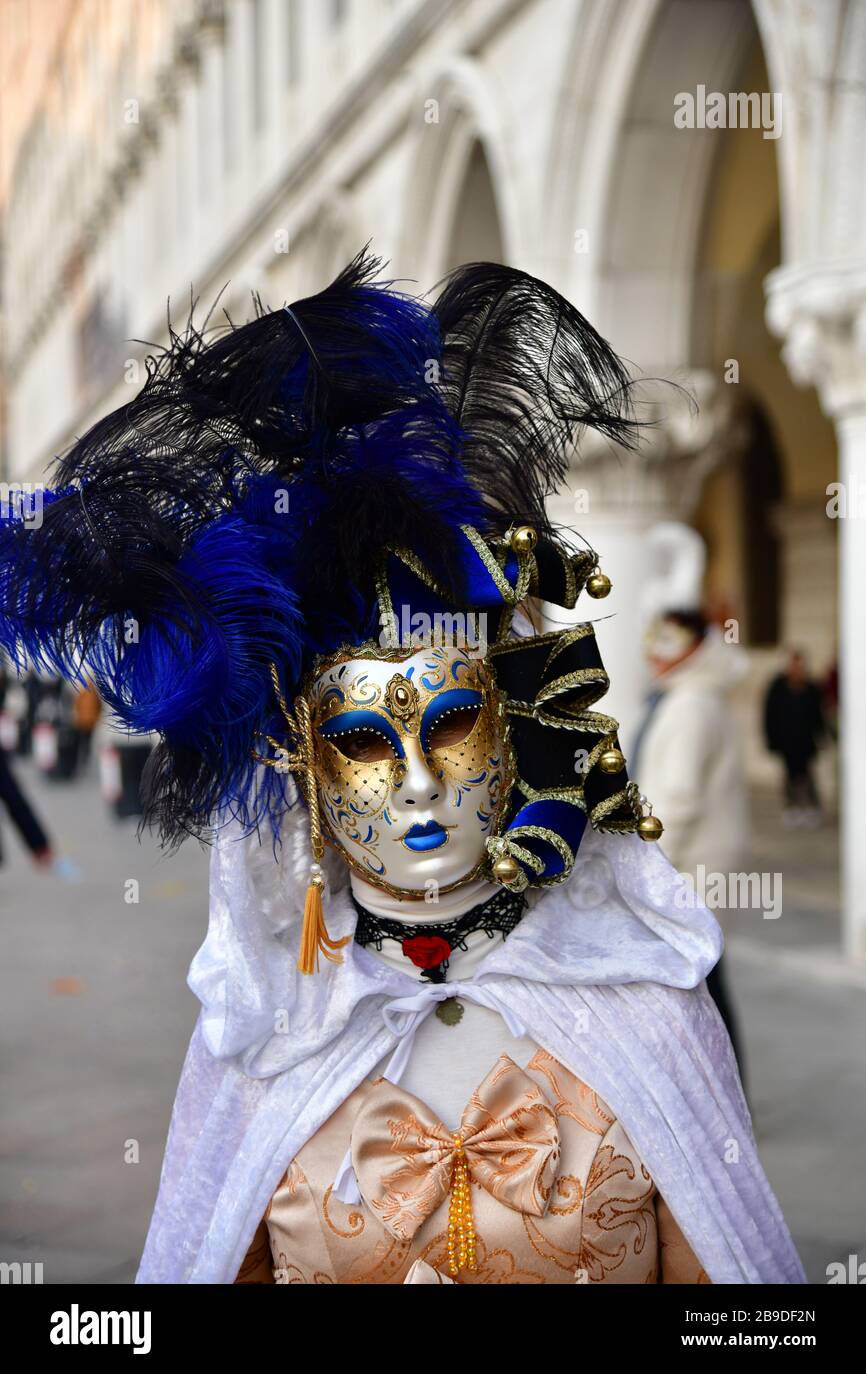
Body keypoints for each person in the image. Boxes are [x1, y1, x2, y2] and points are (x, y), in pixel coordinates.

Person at [0, 254, 804, 1284]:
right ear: (303, 766)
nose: (418, 782)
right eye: (364, 741)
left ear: (512, 729)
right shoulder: (260, 1044)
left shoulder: (645, 1011)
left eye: (453, 722)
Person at [631, 609, 749, 1078]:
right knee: (704, 983)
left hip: (690, 865)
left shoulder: (691, 704)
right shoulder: (684, 696)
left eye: (667, 642)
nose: (653, 654)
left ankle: (720, 1094)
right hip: (692, 862)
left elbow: (679, 800)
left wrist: (650, 868)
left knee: (699, 985)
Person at [764, 650, 825, 825]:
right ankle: (792, 808)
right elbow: (770, 715)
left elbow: (817, 714)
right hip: (786, 740)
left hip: (805, 740)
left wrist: (821, 736)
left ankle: (812, 807)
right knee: (790, 775)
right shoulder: (778, 687)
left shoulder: (811, 687)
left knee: (807, 775)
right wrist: (771, 739)